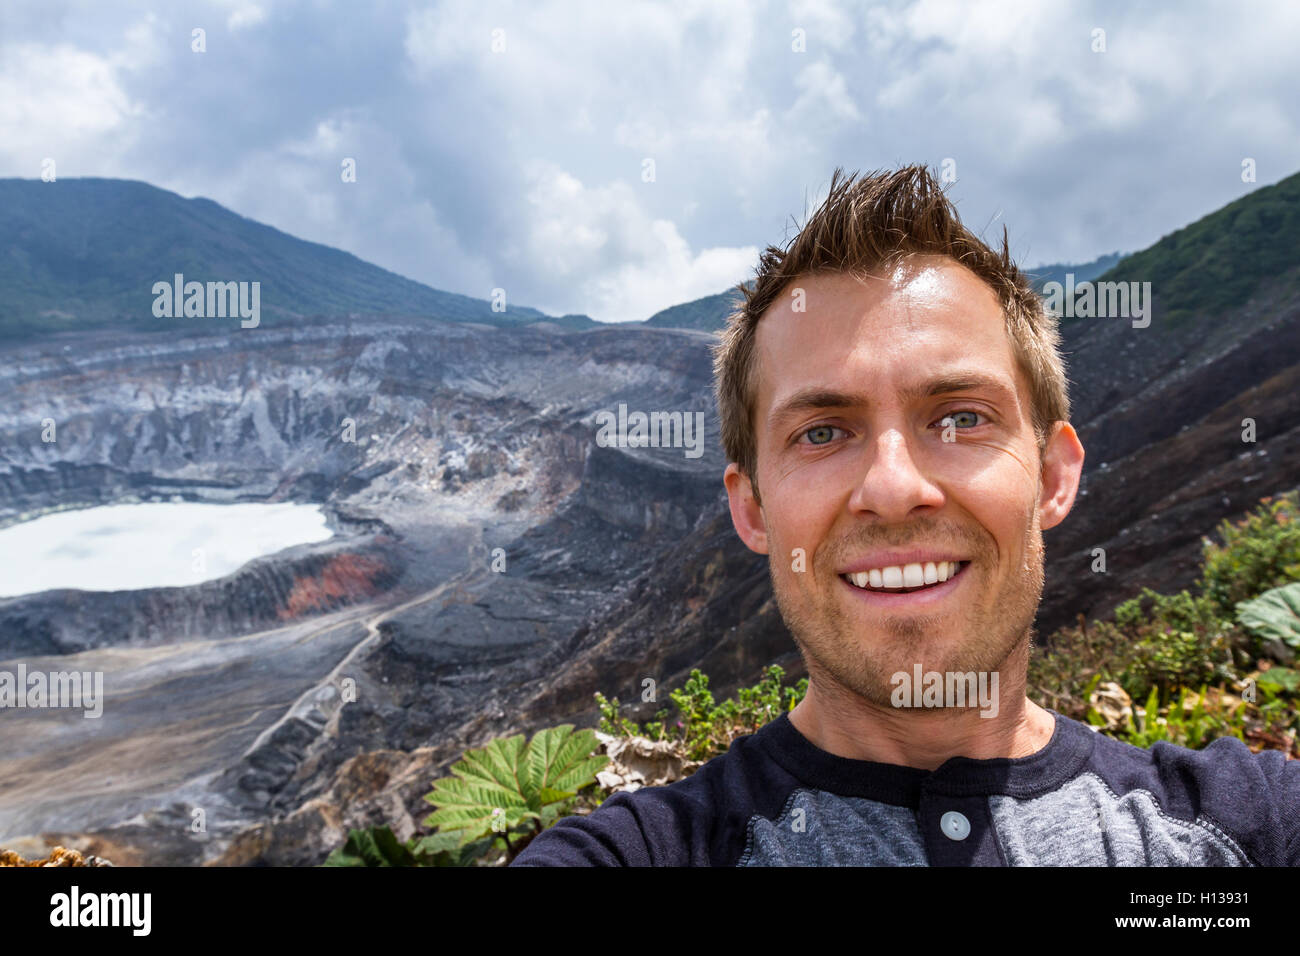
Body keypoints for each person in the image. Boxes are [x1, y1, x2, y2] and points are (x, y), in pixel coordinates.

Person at [512, 165, 1299, 866]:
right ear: (751, 509)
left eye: (959, 418)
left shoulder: (1247, 826)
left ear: (1055, 476)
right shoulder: (643, 853)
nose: (893, 486)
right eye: (822, 432)